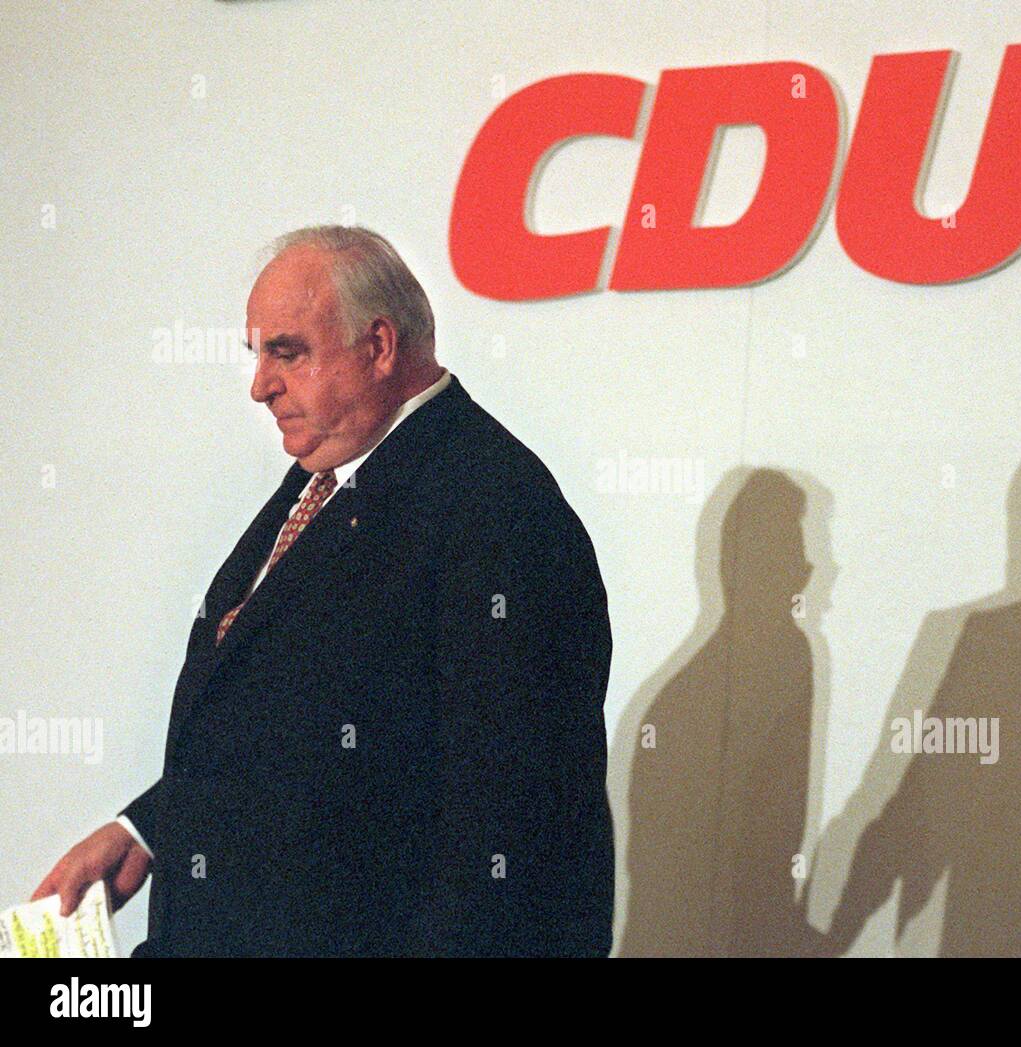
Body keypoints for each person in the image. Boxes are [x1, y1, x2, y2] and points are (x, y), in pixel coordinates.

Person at [31, 226, 616, 957]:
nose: (259, 384)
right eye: (259, 354)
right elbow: (310, 738)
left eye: (288, 352)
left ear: (378, 347)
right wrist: (150, 825)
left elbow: (510, 838)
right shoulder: (328, 473)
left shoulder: (498, 511)